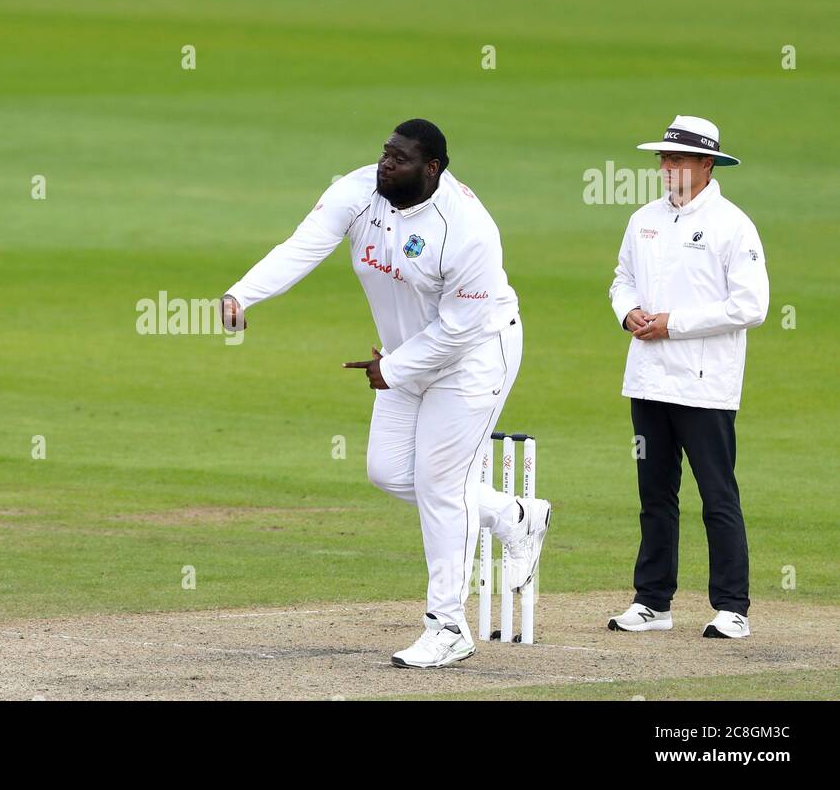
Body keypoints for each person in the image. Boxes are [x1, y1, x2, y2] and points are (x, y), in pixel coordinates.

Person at [221, 119, 551, 668]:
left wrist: (394, 369)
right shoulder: (356, 192)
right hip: (402, 357)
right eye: (384, 154)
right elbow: (303, 246)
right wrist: (242, 295)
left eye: (398, 159)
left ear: (433, 169)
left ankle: (447, 627)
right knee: (389, 472)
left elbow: (461, 330)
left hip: (474, 357)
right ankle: (514, 516)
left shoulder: (467, 228)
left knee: (443, 486)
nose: (384, 165)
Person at [607, 115, 768, 639]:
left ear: (707, 164)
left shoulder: (732, 225)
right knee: (654, 494)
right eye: (664, 159)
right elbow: (621, 279)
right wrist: (628, 311)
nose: (669, 168)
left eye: (679, 160)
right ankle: (653, 602)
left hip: (705, 384)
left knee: (717, 495)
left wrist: (672, 325)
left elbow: (752, 305)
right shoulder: (643, 219)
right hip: (647, 380)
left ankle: (732, 608)